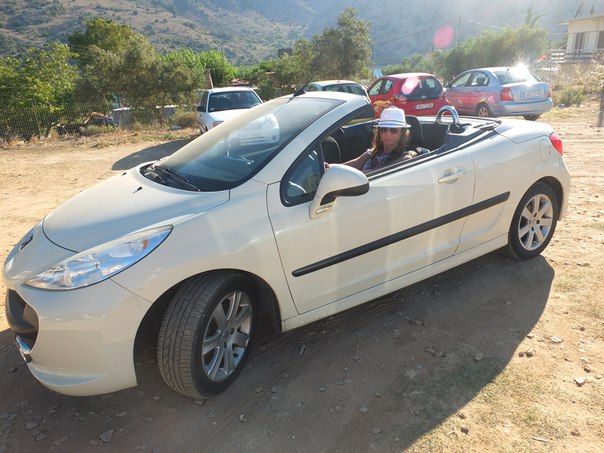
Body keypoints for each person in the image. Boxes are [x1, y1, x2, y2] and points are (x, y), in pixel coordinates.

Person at [343, 106, 417, 172]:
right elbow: (351, 165)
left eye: (393, 130)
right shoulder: (372, 152)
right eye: (383, 129)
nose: (388, 134)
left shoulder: (404, 159)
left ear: (402, 133)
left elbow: (376, 173)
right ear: (379, 132)